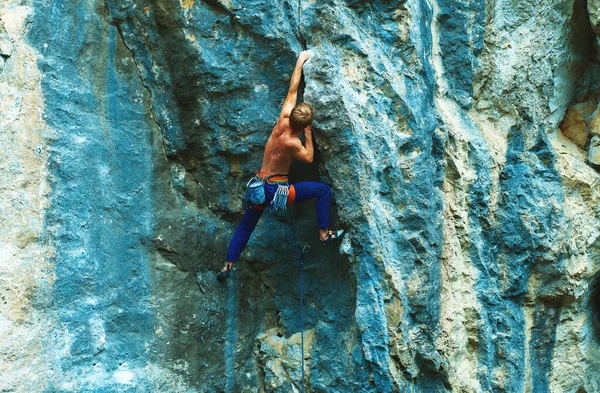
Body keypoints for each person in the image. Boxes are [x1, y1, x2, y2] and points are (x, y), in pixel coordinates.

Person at [217, 51, 345, 281]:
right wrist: (308, 133)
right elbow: (308, 157)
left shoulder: (282, 119)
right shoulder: (293, 143)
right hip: (277, 192)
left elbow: (293, 89)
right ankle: (324, 234)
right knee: (322, 191)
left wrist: (301, 60)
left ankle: (228, 264)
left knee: (246, 226)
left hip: (258, 186)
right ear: (303, 125)